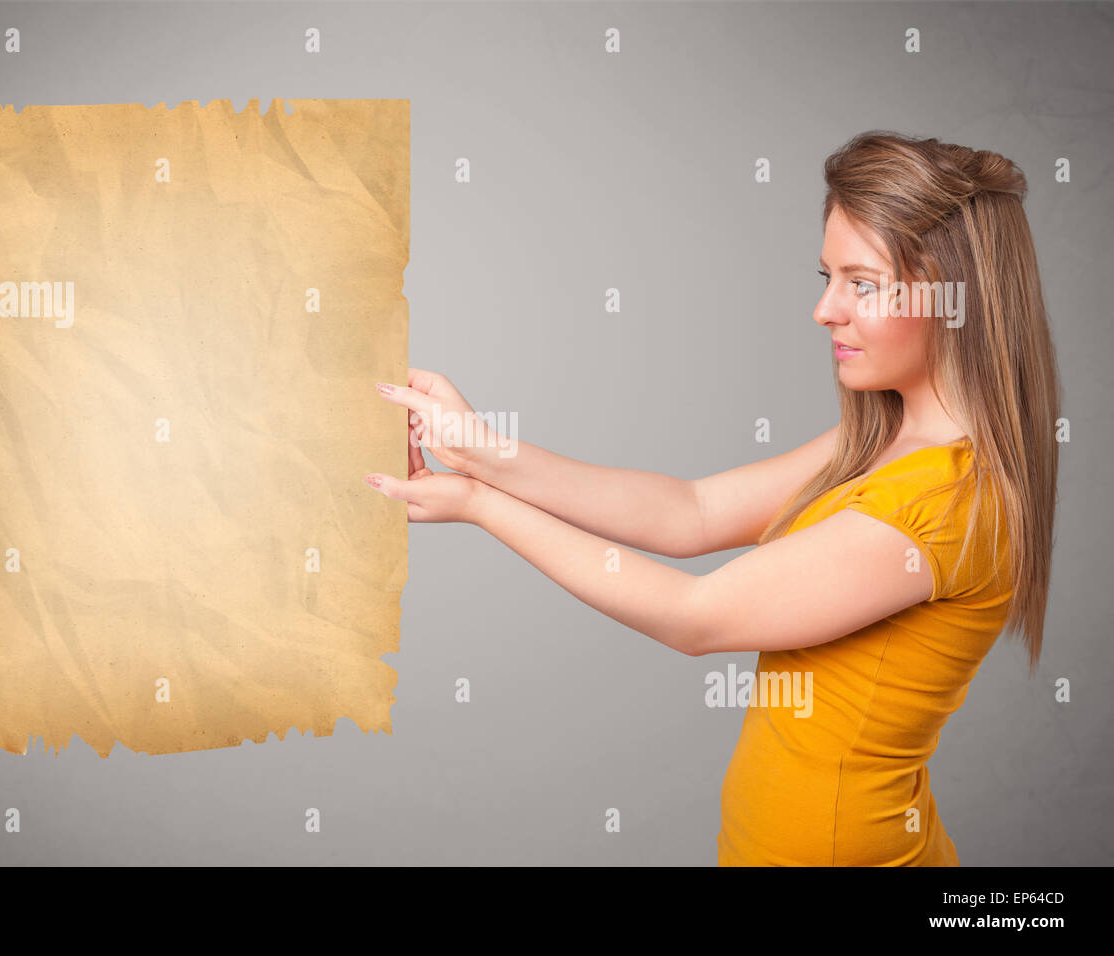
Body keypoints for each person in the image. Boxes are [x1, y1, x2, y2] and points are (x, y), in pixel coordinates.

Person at [363, 131, 1060, 866]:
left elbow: (693, 617)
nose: (825, 311)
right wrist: (482, 449)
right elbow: (688, 512)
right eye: (826, 276)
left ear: (954, 297)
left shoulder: (945, 499)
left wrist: (480, 504)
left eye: (862, 283)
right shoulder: (881, 447)